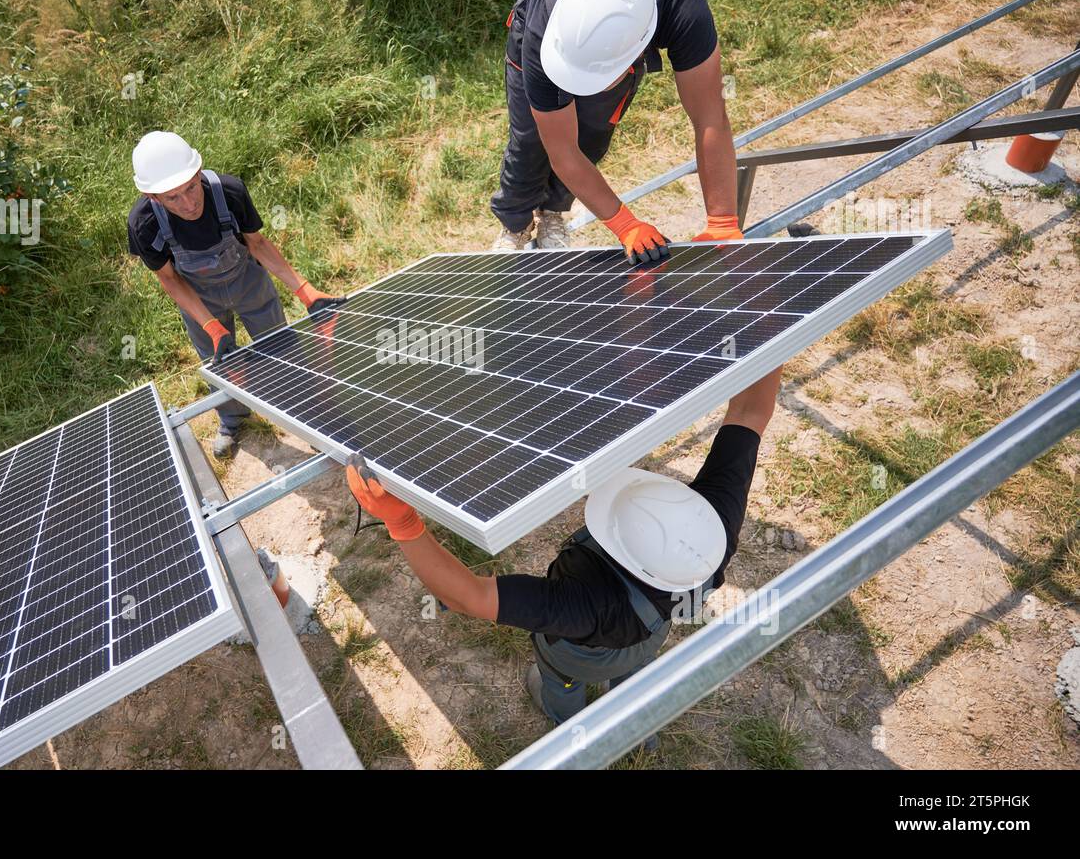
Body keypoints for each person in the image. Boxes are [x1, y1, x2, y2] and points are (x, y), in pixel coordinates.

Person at [345, 370, 780, 743]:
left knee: (558, 679)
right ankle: (633, 718)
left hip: (578, 656)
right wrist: (773, 317)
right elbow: (750, 414)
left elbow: (467, 597)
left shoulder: (582, 602)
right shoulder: (713, 528)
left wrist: (402, 522)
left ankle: (567, 720)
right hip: (651, 635)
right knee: (636, 669)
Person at [491, 0, 743, 256]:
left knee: (592, 135)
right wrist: (625, 224)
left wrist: (722, 221)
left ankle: (552, 209)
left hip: (631, 20)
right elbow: (561, 150)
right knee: (529, 138)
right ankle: (515, 222)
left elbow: (710, 116)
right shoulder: (543, 38)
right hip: (542, 23)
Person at [127, 131, 344, 456]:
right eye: (173, 198)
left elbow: (257, 244)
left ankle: (308, 417)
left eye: (190, 187)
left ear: (198, 172)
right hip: (198, 298)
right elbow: (169, 280)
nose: (188, 203)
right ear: (153, 196)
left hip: (248, 281)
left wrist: (305, 290)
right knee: (220, 366)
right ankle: (233, 420)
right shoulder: (143, 224)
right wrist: (212, 327)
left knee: (282, 348)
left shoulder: (228, 192)